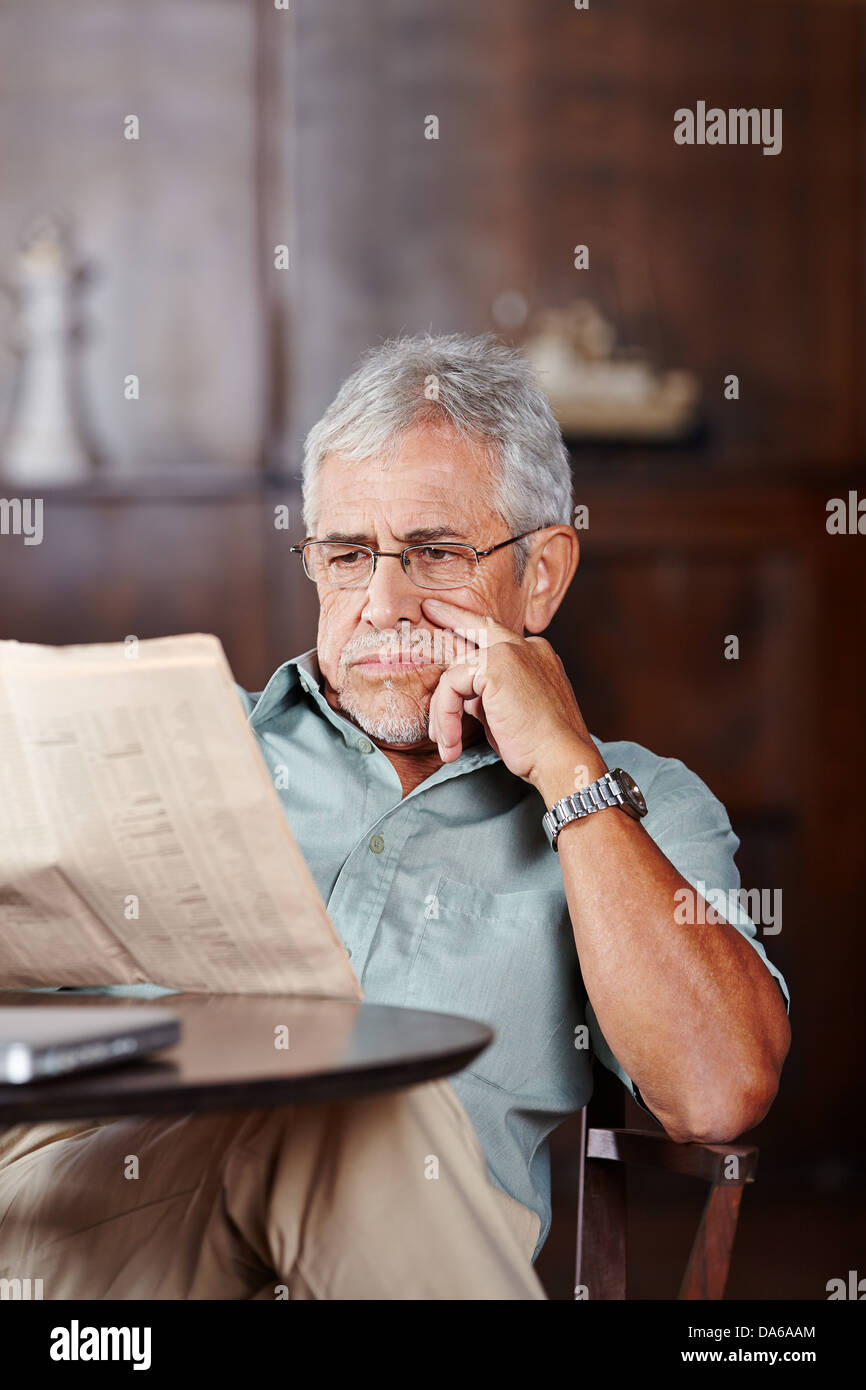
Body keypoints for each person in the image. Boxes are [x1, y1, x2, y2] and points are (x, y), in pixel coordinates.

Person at [0, 332, 789, 1300]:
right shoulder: (170, 747)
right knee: (349, 1098)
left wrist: (566, 773)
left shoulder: (636, 806)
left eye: (435, 552)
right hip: (92, 1233)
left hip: (397, 1266)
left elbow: (712, 1096)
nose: (382, 603)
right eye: (345, 554)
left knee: (365, 1101)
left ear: (539, 573)